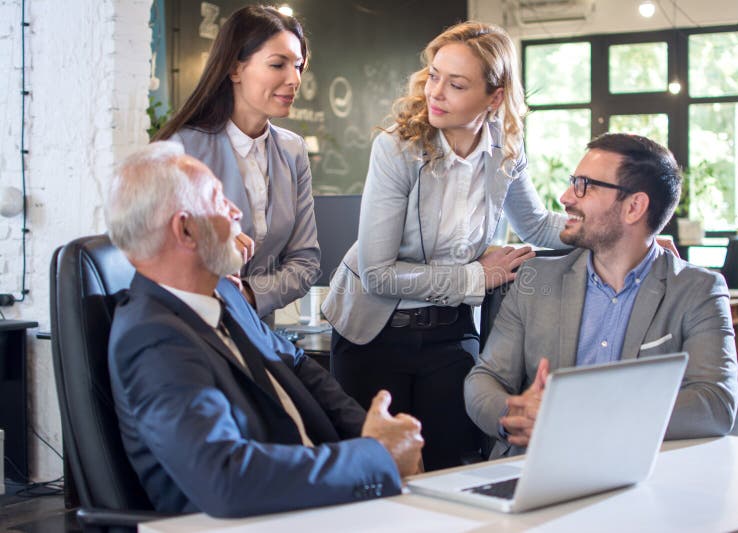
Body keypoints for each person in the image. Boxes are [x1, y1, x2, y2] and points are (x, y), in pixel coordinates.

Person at [105, 142, 423, 518]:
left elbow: (296, 365)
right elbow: (226, 478)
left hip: (318, 502)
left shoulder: (224, 292)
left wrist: (374, 434)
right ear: (186, 230)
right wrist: (375, 456)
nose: (237, 212)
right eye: (220, 200)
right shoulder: (153, 340)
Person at [321, 21, 571, 471]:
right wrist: (477, 276)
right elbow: (378, 275)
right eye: (434, 75)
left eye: (456, 84)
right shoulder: (396, 148)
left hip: (450, 332)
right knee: (376, 470)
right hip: (372, 331)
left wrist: (619, 231)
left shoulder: (506, 151)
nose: (435, 92)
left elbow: (535, 224)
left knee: (450, 466)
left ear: (494, 97)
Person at [464, 133, 738, 459]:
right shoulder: (535, 280)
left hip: (638, 472)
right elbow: (485, 380)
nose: (566, 197)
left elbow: (715, 403)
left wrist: (579, 412)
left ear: (634, 207)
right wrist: (514, 416)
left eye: (585, 185)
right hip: (536, 464)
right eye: (572, 182)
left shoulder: (697, 290)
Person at [155, 5, 320, 322]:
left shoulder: (292, 150)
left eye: (299, 66)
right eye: (278, 65)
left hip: (259, 330)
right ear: (234, 69)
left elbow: (305, 261)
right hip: (189, 329)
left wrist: (249, 294)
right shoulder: (181, 148)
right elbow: (155, 253)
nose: (294, 79)